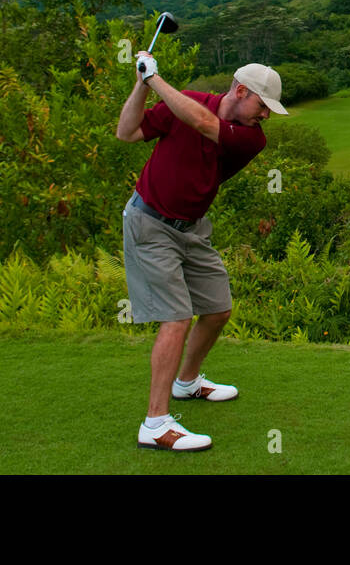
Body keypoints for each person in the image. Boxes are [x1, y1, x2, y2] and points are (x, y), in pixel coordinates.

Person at [115, 51, 287, 451]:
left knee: (218, 309)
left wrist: (155, 79)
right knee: (176, 318)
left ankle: (187, 382)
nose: (265, 116)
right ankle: (155, 424)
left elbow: (203, 123)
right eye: (263, 106)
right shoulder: (186, 101)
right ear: (241, 91)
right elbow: (127, 132)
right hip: (150, 223)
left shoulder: (250, 138)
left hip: (191, 230)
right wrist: (141, 85)